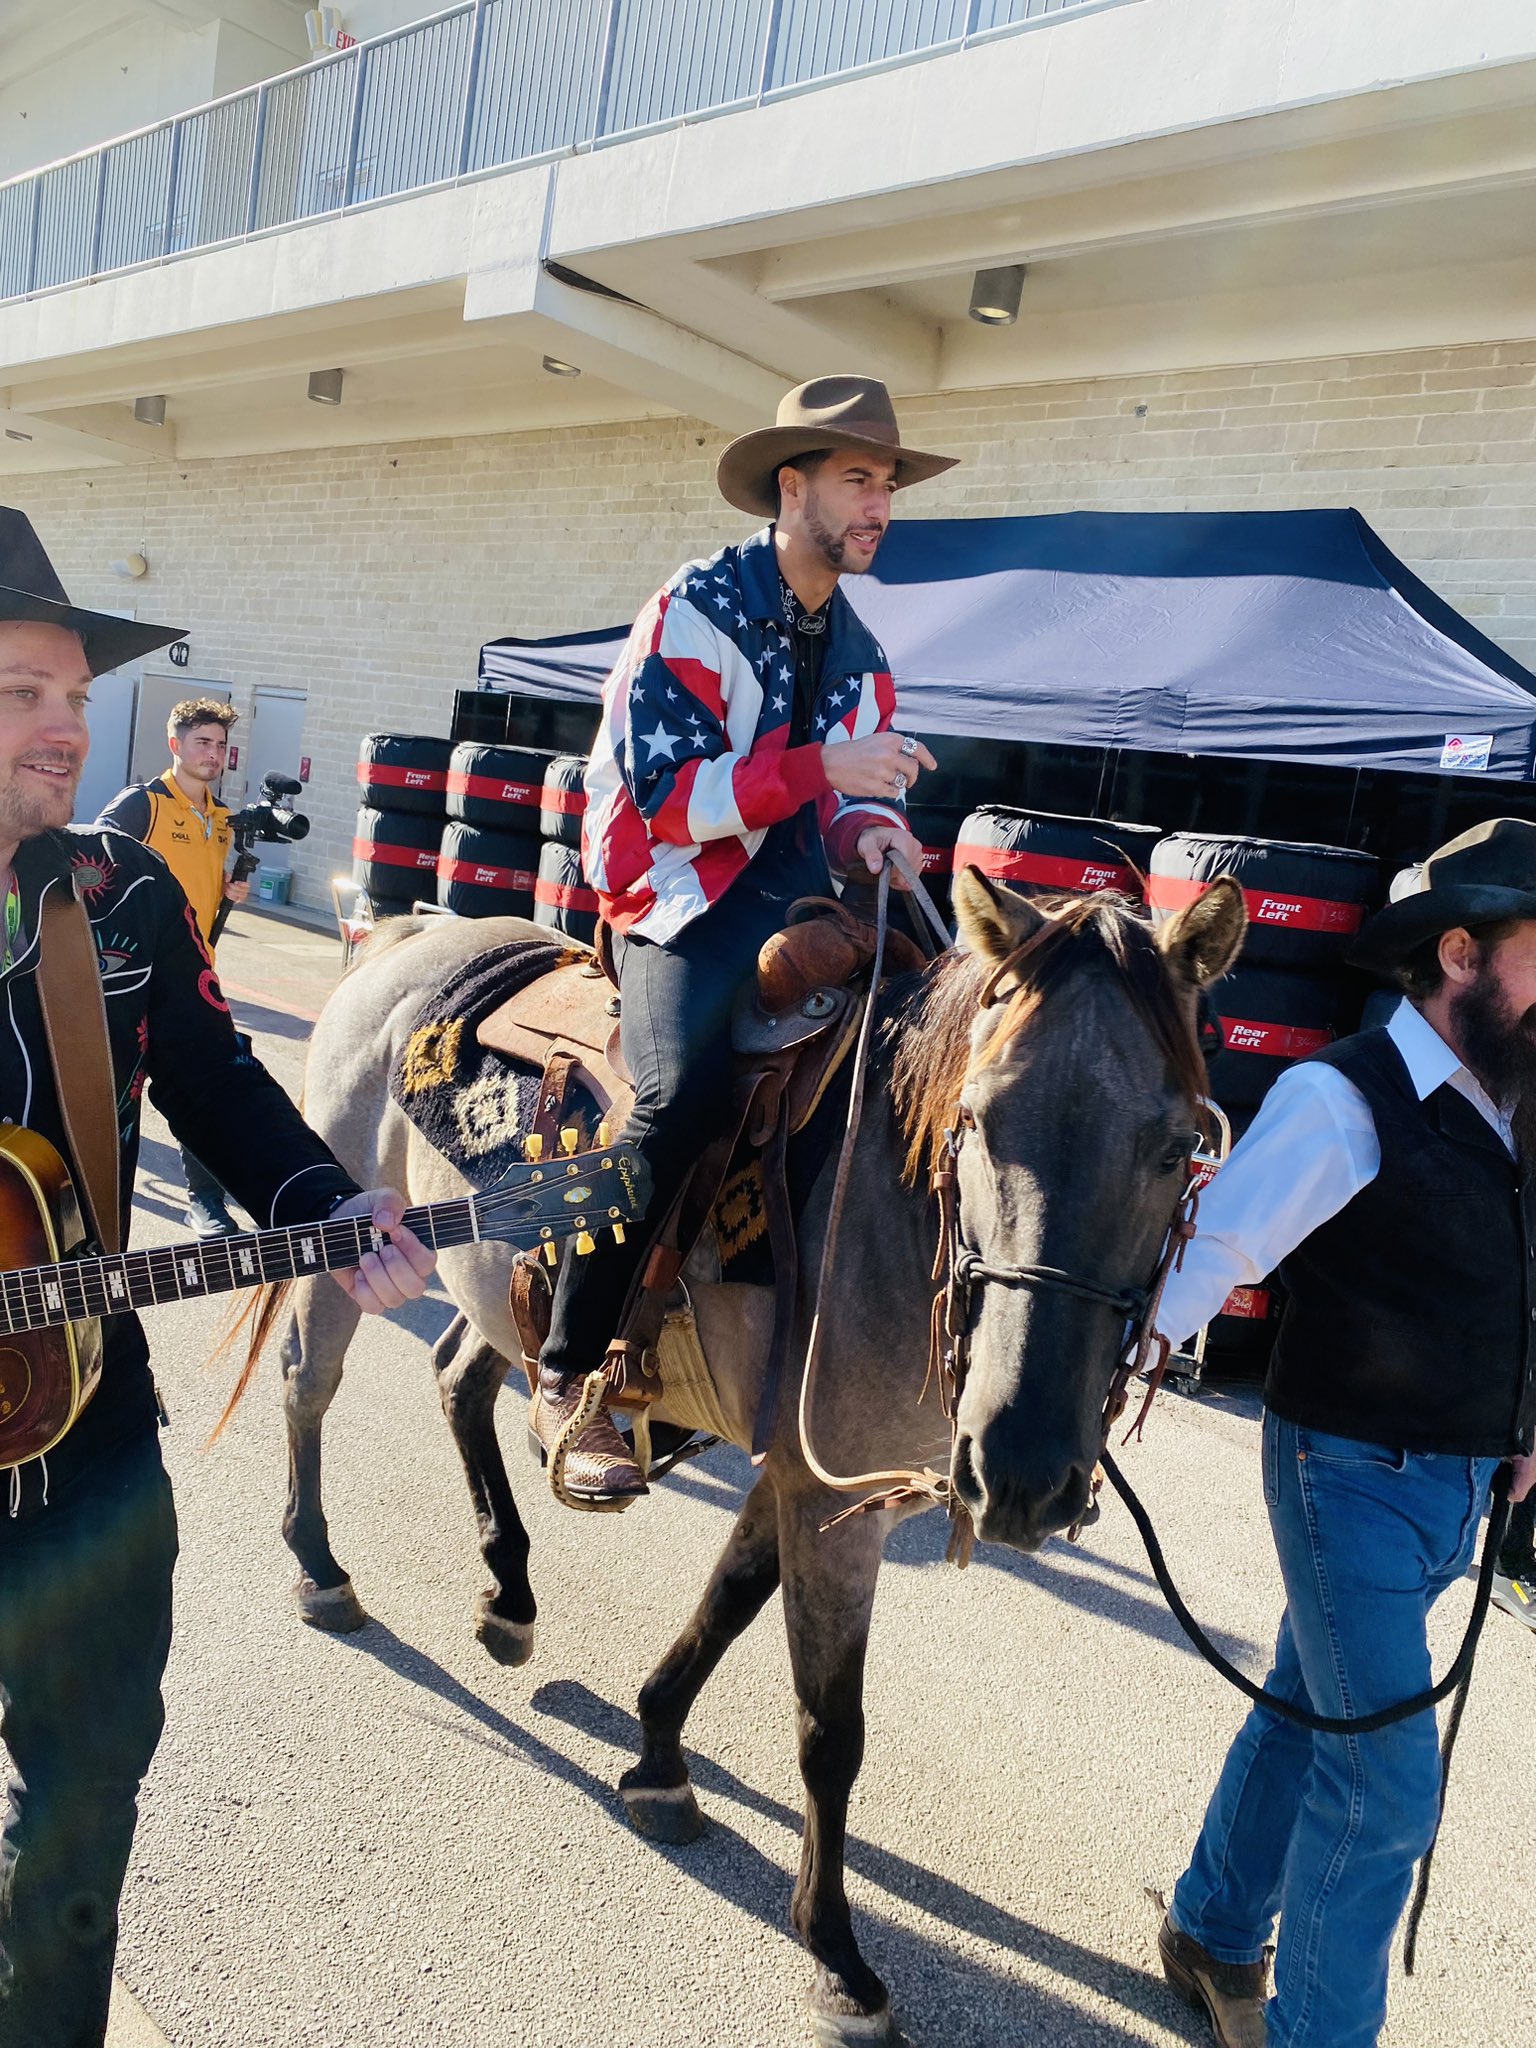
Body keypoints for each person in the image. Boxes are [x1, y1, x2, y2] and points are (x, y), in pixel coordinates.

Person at [0, 508, 436, 2048]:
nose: (68, 728)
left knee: (89, 1786)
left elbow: (221, 1089)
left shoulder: (120, 894)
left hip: (89, 1436)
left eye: (73, 694)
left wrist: (332, 1204)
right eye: (23, 694)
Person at [528, 374, 958, 1506]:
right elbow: (667, 796)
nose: (879, 504)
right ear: (793, 484)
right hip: (676, 889)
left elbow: (853, 802)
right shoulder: (696, 606)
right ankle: (572, 1369)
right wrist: (825, 774)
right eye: (860, 479)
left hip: (798, 892)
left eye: (888, 484)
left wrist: (880, 837)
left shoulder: (862, 651)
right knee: (680, 1098)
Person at [1151, 816, 1536, 2048]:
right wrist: (1079, 1386)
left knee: (1305, 1705)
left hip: (1458, 1485)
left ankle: (1211, 1925)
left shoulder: (1519, 1097)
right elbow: (1214, 1248)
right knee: (1381, 1791)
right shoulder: (1339, 1094)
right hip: (1346, 1476)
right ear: (1463, 952)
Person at [99, 697, 248, 1235]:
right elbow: (94, 867)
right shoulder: (144, 805)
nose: (213, 754)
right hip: (129, 973)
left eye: (221, 745)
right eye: (202, 742)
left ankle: (205, 1201)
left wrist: (227, 891)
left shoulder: (222, 818)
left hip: (195, 973)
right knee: (113, 1091)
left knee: (202, 1080)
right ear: (175, 745)